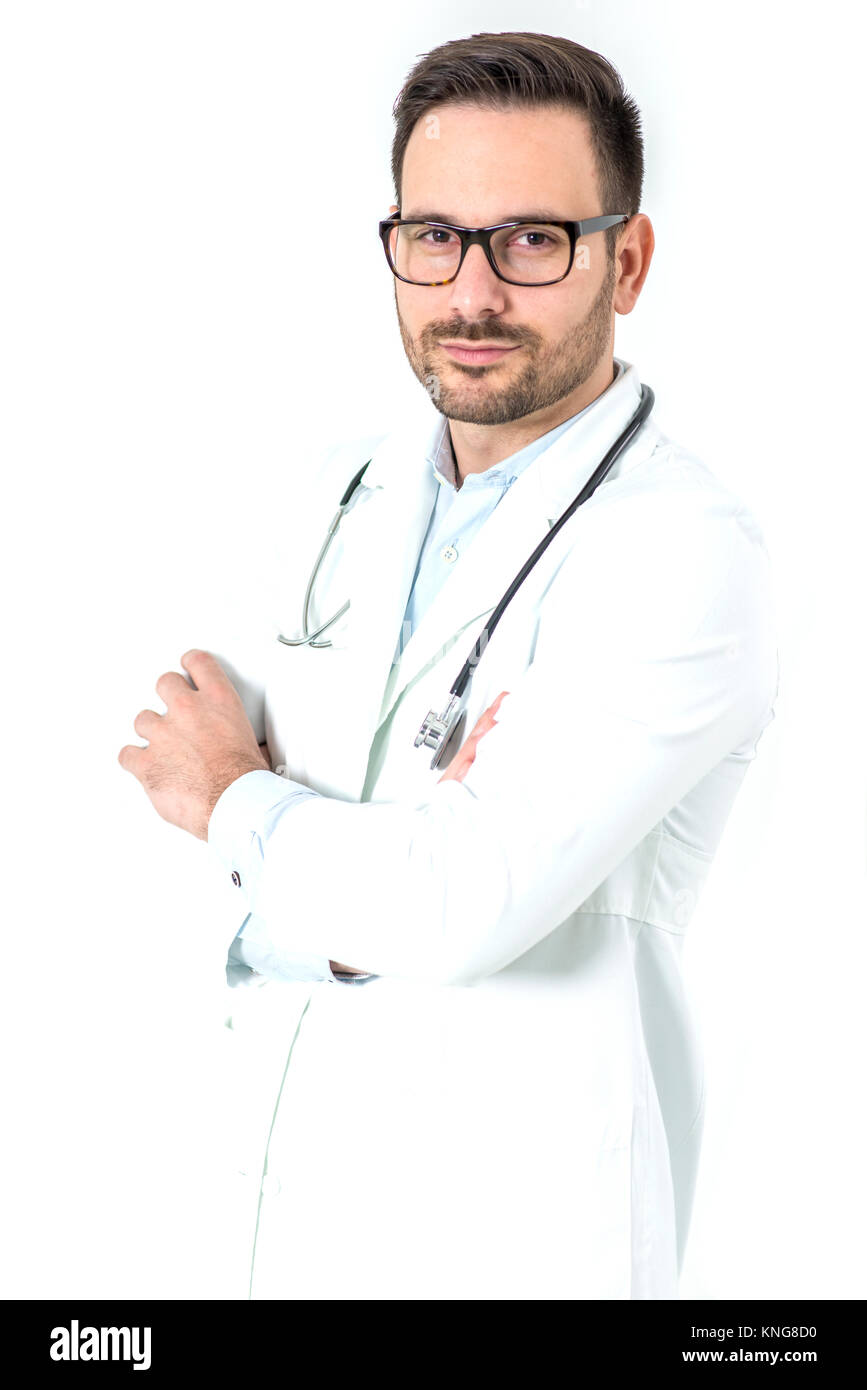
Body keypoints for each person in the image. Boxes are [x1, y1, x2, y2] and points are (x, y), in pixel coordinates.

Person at [118, 31, 779, 1299]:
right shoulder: (333, 495)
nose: (471, 292)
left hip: (520, 1240)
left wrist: (244, 801)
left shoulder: (685, 552)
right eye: (435, 236)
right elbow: (182, 838)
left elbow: (450, 900)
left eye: (532, 240)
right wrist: (364, 882)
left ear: (625, 260)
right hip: (274, 1214)